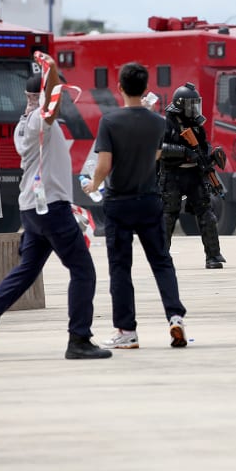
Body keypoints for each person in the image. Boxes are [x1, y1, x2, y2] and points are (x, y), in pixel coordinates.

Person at [0, 55, 111, 361]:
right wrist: (50, 69)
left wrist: (49, 77)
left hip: (33, 208)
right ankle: (79, 338)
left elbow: (49, 103)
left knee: (26, 271)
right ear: (42, 95)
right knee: (83, 272)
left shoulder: (22, 125)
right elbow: (51, 105)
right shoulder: (41, 119)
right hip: (51, 208)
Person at [83, 62, 189, 349]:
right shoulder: (158, 122)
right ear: (145, 88)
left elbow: (104, 164)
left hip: (119, 202)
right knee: (161, 261)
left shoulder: (110, 121)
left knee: (120, 267)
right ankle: (175, 315)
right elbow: (155, 156)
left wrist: (93, 183)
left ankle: (127, 331)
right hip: (150, 201)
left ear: (119, 87)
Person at [160, 82, 226, 268]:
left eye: (196, 104)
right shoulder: (168, 123)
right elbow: (160, 149)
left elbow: (204, 147)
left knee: (207, 214)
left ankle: (213, 256)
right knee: (168, 216)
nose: (194, 108)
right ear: (180, 104)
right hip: (173, 175)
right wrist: (185, 153)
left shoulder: (197, 125)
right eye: (190, 104)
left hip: (195, 175)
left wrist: (212, 157)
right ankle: (162, 258)